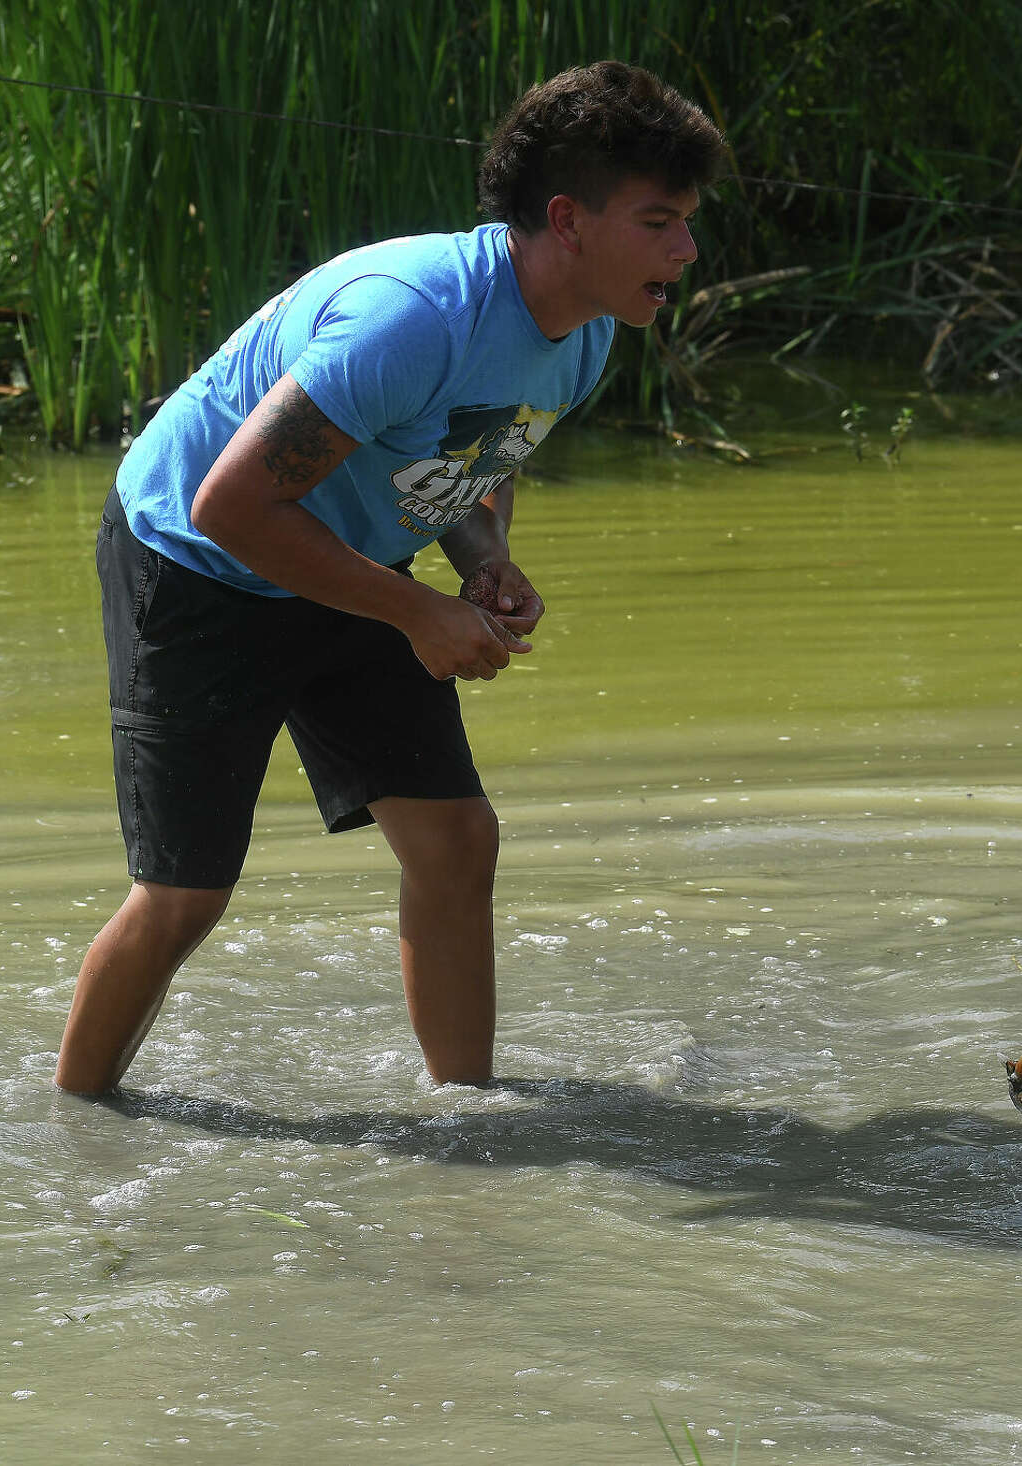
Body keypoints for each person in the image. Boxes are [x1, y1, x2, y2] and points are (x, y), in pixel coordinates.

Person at [54, 62, 728, 1095]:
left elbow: (471, 456)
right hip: (194, 564)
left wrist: (485, 561)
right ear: (567, 219)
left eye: (686, 222)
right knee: (184, 894)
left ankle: (469, 1120)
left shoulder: (588, 330)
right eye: (658, 222)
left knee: (456, 843)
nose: (686, 250)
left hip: (348, 560)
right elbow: (230, 507)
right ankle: (78, 1127)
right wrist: (418, 611)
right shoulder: (408, 317)